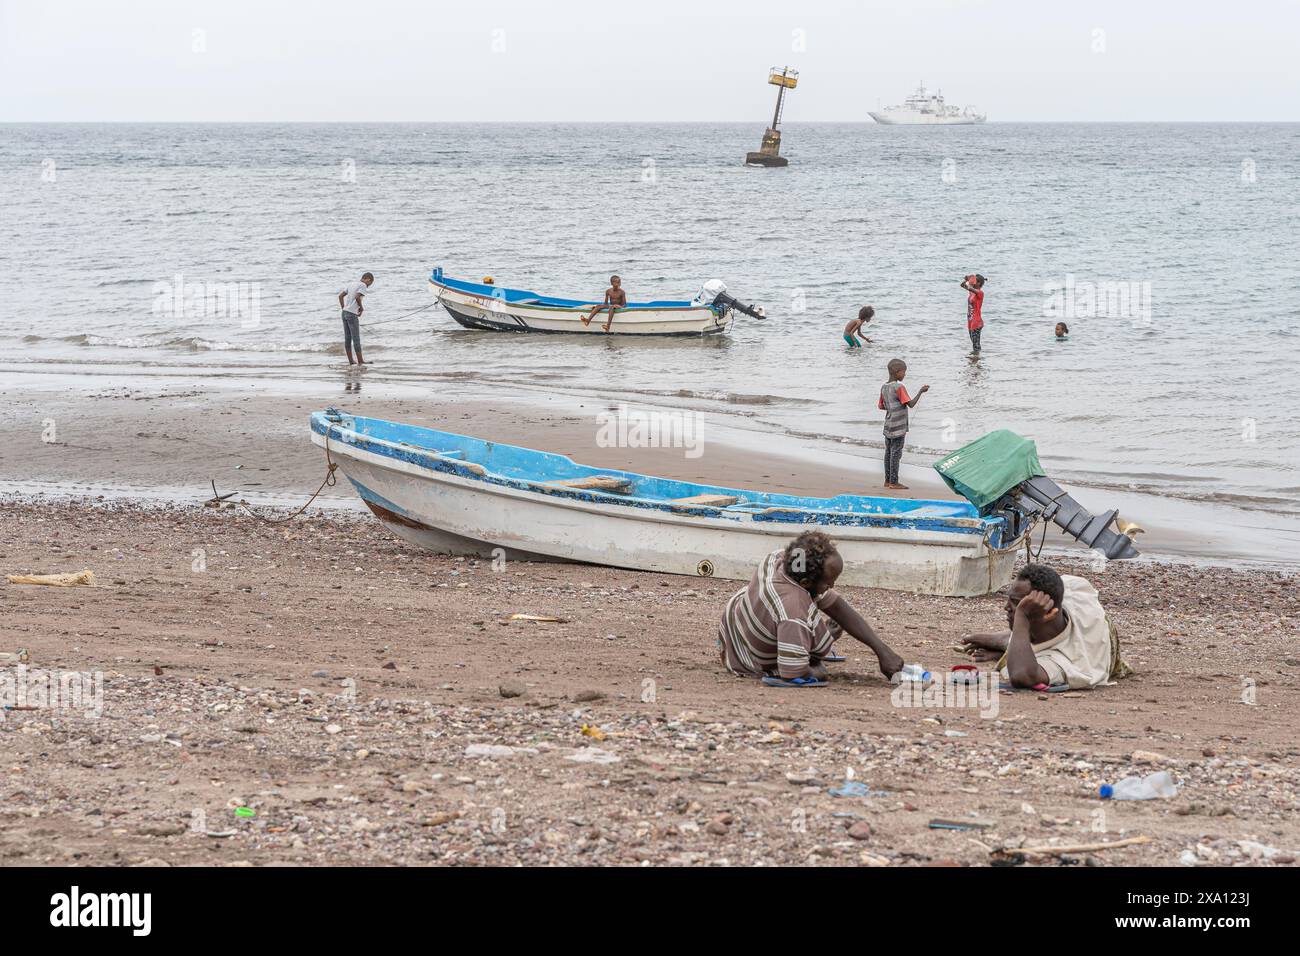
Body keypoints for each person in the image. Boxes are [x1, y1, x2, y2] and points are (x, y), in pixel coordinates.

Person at [718, 531, 904, 686]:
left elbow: (836, 606)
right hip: (746, 661)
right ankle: (810, 643)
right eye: (829, 582)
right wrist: (818, 670)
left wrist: (881, 650)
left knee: (805, 609)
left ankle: (810, 640)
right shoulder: (793, 610)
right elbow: (792, 673)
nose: (831, 585)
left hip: (733, 627)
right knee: (805, 644)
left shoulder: (779, 559)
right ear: (806, 583)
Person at [959, 563, 1132, 690]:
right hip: (1075, 617)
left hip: (1103, 640)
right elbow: (1061, 583)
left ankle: (1006, 645)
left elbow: (1021, 676)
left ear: (1049, 613)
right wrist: (1024, 614)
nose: (1006, 608)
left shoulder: (1067, 662)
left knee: (1019, 646)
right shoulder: (1070, 591)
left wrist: (1022, 616)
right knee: (1021, 638)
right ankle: (1006, 646)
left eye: (1017, 604)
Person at [878, 358, 929, 490]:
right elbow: (910, 404)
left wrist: (893, 407)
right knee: (896, 454)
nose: (905, 374)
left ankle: (887, 480)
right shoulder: (899, 387)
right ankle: (894, 482)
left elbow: (881, 406)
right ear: (897, 372)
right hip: (898, 427)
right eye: (903, 372)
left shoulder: (884, 387)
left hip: (888, 425)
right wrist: (920, 392)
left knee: (888, 453)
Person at [337, 272, 374, 365]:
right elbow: (358, 297)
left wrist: (344, 308)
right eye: (370, 283)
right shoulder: (363, 285)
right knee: (356, 338)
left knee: (347, 338)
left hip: (344, 313)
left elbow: (340, 296)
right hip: (352, 314)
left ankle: (351, 361)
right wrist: (361, 308)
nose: (369, 286)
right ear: (368, 279)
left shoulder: (351, 284)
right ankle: (360, 360)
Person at [960, 273, 986, 353]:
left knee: (976, 345)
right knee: (974, 344)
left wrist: (970, 281)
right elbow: (962, 285)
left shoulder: (980, 293)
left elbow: (969, 287)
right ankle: (975, 361)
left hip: (976, 322)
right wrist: (967, 279)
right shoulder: (972, 293)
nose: (973, 282)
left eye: (975, 281)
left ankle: (977, 362)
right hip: (971, 321)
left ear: (978, 283)